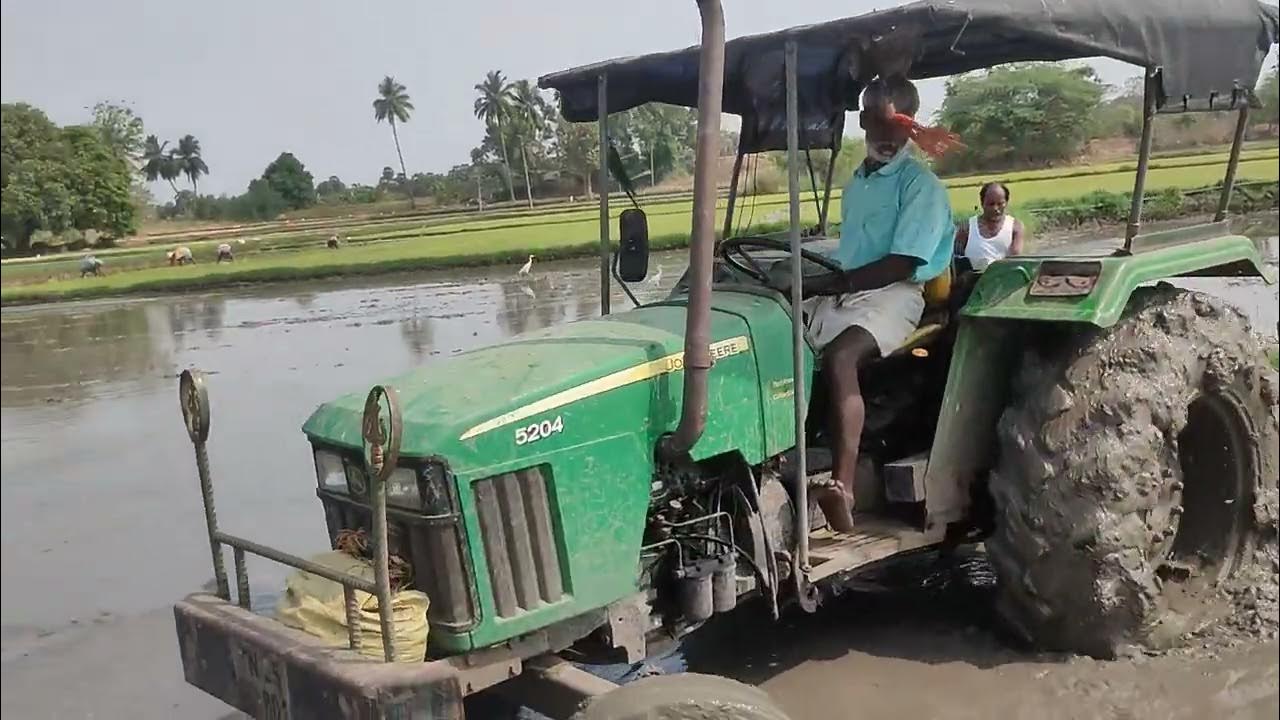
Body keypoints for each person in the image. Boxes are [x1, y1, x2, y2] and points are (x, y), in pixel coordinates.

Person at [776, 76, 955, 534]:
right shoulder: (857, 183)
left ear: (912, 128)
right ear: (863, 123)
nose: (888, 137)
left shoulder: (921, 187)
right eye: (878, 123)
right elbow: (853, 253)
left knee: (840, 357)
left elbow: (901, 263)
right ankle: (780, 461)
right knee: (776, 339)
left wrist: (825, 282)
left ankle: (844, 486)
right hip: (847, 291)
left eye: (899, 126)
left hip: (896, 295)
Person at [955, 182, 1025, 271]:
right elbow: (956, 260)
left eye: (1000, 204)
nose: (996, 208)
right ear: (982, 203)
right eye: (991, 204)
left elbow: (1015, 260)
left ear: (1006, 203)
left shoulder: (1015, 227)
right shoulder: (966, 228)